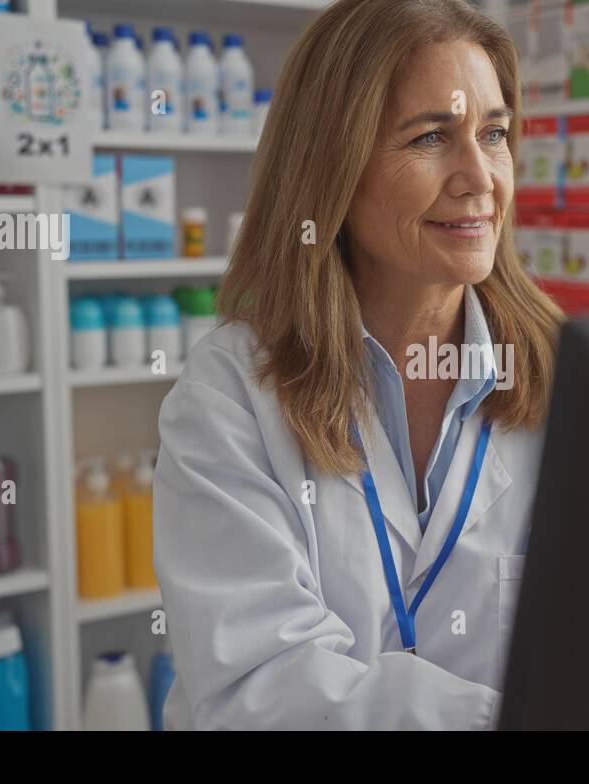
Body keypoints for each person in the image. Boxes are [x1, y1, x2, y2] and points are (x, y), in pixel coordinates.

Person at [153, 0, 564, 729]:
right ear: (331, 163)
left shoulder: (566, 375)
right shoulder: (231, 393)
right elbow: (261, 684)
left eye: (493, 133)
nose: (479, 177)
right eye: (431, 136)